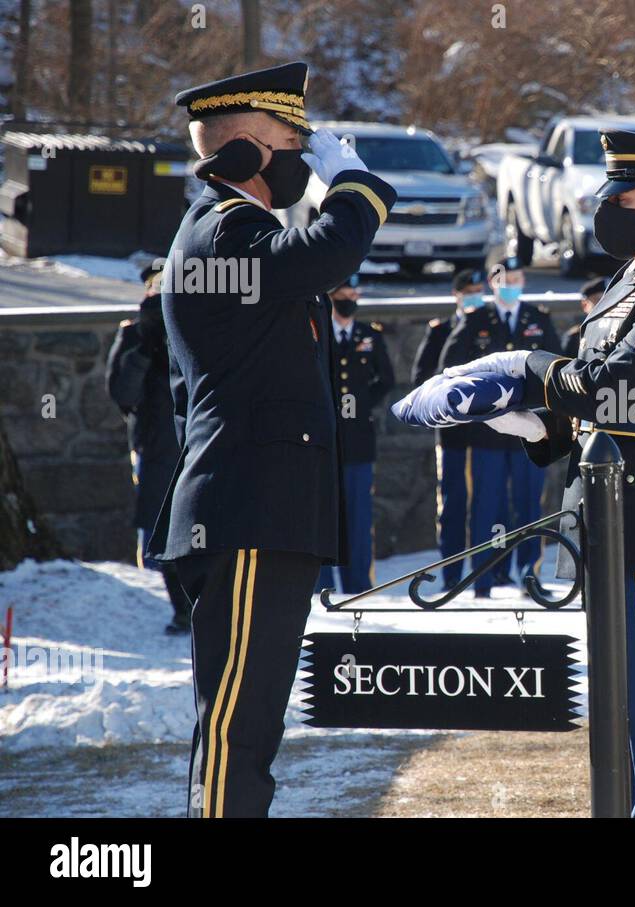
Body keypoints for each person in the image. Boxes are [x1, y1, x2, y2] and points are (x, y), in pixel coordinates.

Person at [445, 128, 635, 817]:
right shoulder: (628, 284)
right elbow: (605, 409)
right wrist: (542, 429)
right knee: (627, 698)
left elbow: (609, 386)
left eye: (621, 195)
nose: (607, 208)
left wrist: (526, 368)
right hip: (611, 516)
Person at [149, 62, 396, 818]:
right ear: (251, 154)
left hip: (253, 507)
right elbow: (324, 255)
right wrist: (352, 184)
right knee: (238, 730)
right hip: (250, 510)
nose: (306, 155)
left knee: (242, 723)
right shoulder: (227, 230)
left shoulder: (228, 233)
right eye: (296, 142)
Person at [439, 254, 561, 596]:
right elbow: (450, 366)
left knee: (529, 505)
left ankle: (529, 576)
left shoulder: (538, 318)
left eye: (519, 279)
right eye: (506, 279)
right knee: (486, 504)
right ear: (493, 283)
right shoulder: (477, 318)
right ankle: (483, 579)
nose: (512, 286)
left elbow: (555, 368)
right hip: (488, 429)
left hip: (530, 430)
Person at [105, 262, 189, 634]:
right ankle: (180, 607)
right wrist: (145, 346)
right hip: (156, 448)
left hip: (189, 446)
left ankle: (196, 603)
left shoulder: (190, 328)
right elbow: (122, 393)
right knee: (161, 529)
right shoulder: (134, 336)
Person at [316, 274, 394, 594]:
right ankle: (322, 585)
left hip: (359, 441)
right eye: (344, 292)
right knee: (324, 516)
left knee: (359, 519)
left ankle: (358, 584)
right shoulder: (318, 335)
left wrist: (361, 406)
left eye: (353, 292)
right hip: (326, 439)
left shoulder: (368, 335)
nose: (350, 297)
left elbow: (385, 379)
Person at [412, 267, 485, 589]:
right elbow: (421, 379)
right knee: (452, 506)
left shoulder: (490, 324)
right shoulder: (441, 330)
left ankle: (486, 576)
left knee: (487, 506)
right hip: (453, 433)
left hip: (488, 432)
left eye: (479, 289)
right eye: (469, 290)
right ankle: (452, 576)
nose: (475, 295)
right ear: (457, 295)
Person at [564, 277, 606, 357]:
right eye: (597, 300)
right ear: (585, 305)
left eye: (605, 300)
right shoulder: (575, 337)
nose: (603, 305)